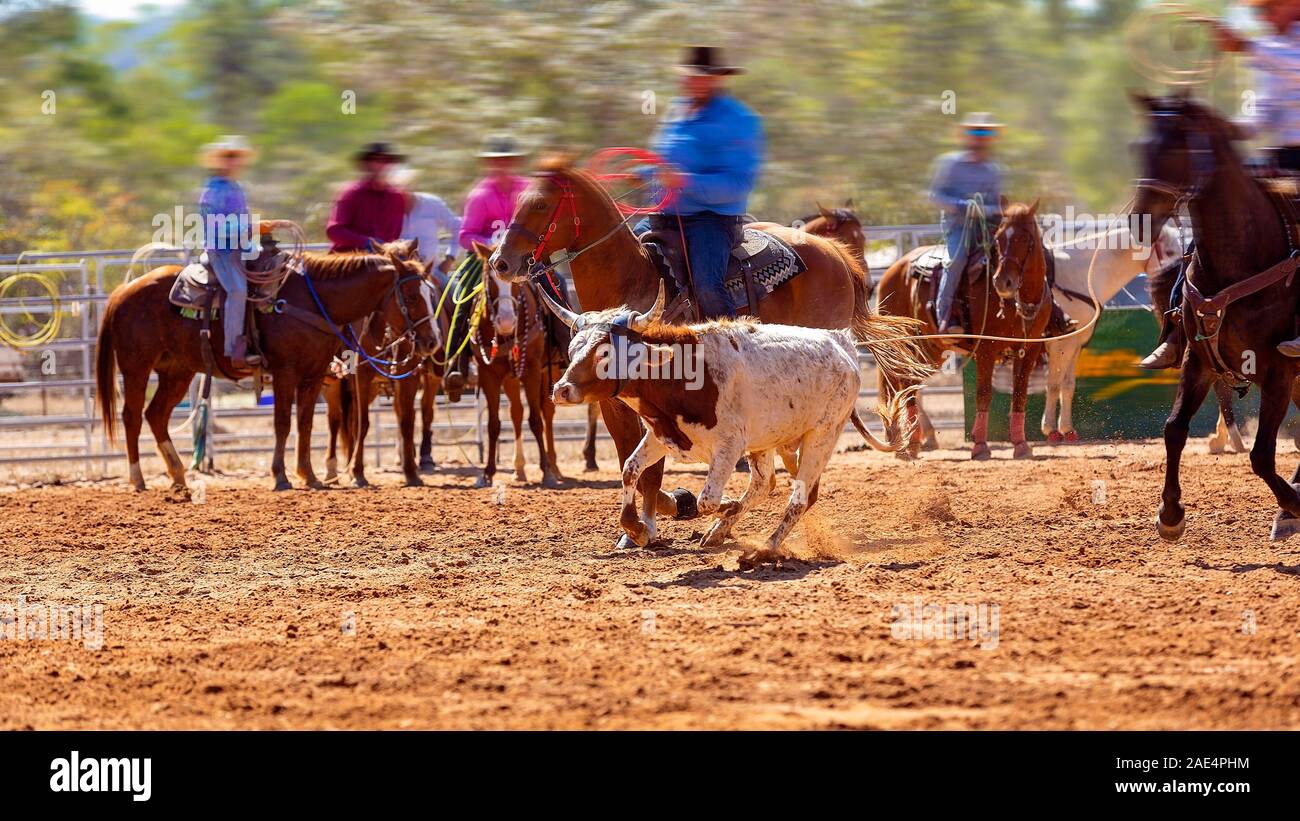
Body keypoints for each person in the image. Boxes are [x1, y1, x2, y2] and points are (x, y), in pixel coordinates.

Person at [1142, 0, 1300, 367]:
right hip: (1278, 161)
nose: (1264, 16)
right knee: (1217, 216)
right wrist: (1222, 126)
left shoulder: (1274, 52)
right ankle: (1176, 329)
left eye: (1270, 7)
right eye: (1260, 10)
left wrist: (1245, 46)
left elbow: (1294, 65)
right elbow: (1263, 115)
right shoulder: (1269, 53)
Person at [641, 45, 763, 320]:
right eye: (687, 76)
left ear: (717, 79)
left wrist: (684, 181)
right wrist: (642, 173)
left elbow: (739, 182)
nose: (689, 81)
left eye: (698, 76)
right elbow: (663, 163)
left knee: (707, 285)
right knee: (620, 254)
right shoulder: (677, 111)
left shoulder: (739, 120)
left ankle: (732, 349)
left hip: (712, 219)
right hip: (665, 215)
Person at [444, 135, 531, 393]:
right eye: (497, 161)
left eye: (506, 161)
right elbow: (465, 235)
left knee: (555, 284)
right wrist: (492, 244)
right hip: (485, 258)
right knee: (462, 297)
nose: (502, 166)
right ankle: (456, 363)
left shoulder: (527, 189)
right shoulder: (480, 196)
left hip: (523, 257)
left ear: (514, 162)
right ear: (490, 165)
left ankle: (563, 349)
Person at [927, 113, 1005, 334]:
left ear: (991, 137)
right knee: (957, 260)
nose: (981, 136)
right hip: (958, 226)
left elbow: (996, 202)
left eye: (985, 132)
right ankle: (944, 316)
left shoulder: (994, 170)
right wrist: (963, 206)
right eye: (976, 131)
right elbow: (934, 196)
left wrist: (990, 211)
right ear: (967, 136)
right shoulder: (949, 163)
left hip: (987, 225)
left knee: (1013, 257)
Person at [198, 135, 260, 367]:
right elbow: (213, 224)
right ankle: (234, 348)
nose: (233, 162)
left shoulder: (236, 187)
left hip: (241, 247)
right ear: (219, 161)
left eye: (235, 157)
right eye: (228, 157)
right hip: (221, 249)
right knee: (236, 290)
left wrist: (252, 232)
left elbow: (242, 220)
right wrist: (250, 227)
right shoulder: (212, 190)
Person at [326, 142, 408, 254]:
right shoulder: (351, 193)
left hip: (382, 260)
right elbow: (334, 231)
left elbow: (394, 234)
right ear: (366, 165)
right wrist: (366, 242)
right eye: (376, 160)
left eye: (387, 161)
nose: (382, 165)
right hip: (348, 260)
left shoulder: (396, 197)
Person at [392, 168, 461, 282]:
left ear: (412, 185)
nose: (402, 190)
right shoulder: (386, 209)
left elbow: (457, 226)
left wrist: (449, 259)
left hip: (432, 273)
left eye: (405, 186)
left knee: (455, 296)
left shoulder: (432, 204)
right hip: (396, 274)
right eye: (396, 187)